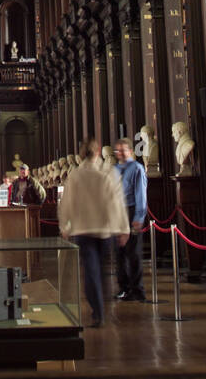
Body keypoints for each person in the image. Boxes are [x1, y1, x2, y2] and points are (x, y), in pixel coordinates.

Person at [59, 139, 129, 327]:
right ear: (98, 151)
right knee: (101, 269)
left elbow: (66, 202)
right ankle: (100, 306)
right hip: (105, 229)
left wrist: (64, 226)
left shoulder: (75, 174)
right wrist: (123, 228)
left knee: (91, 270)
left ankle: (97, 310)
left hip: (83, 229)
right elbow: (117, 201)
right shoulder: (108, 172)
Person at [113, 137, 148, 302]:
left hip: (131, 210)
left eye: (123, 150)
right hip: (117, 212)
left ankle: (137, 289)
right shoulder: (113, 169)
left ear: (130, 152)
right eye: (117, 150)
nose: (119, 153)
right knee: (119, 252)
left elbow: (141, 194)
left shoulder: (137, 168)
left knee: (132, 252)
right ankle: (123, 287)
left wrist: (138, 217)